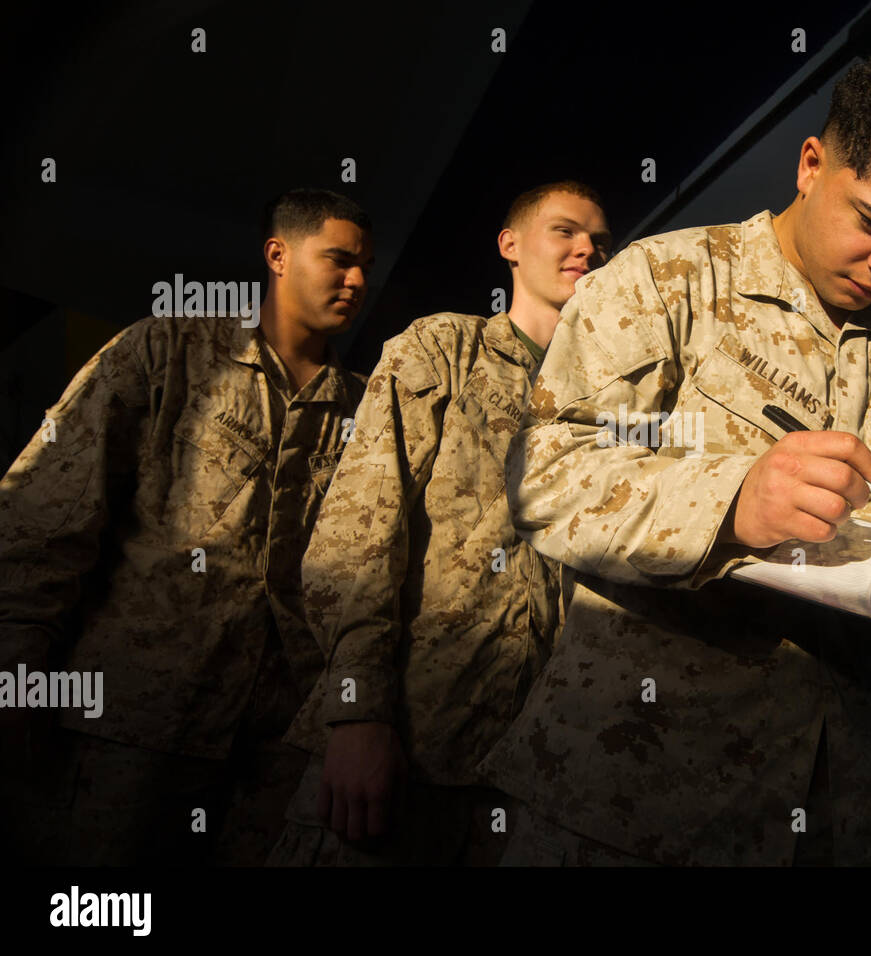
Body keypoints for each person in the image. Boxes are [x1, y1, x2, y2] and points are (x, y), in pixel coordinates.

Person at [481, 42, 871, 865]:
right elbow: (547, 477)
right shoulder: (665, 282)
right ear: (811, 164)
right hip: (628, 799)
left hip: (834, 820)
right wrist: (730, 501)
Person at [0, 188, 373, 865]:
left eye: (364, 266)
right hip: (137, 719)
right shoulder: (169, 349)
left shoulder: (364, 407)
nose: (357, 281)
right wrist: (16, 661)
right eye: (339, 260)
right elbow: (49, 509)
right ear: (278, 255)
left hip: (272, 745)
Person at [270, 181, 610, 865]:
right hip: (412, 739)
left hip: (540, 767)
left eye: (601, 242)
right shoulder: (443, 348)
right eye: (566, 231)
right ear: (509, 246)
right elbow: (360, 531)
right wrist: (357, 711)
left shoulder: (616, 397)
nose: (587, 250)